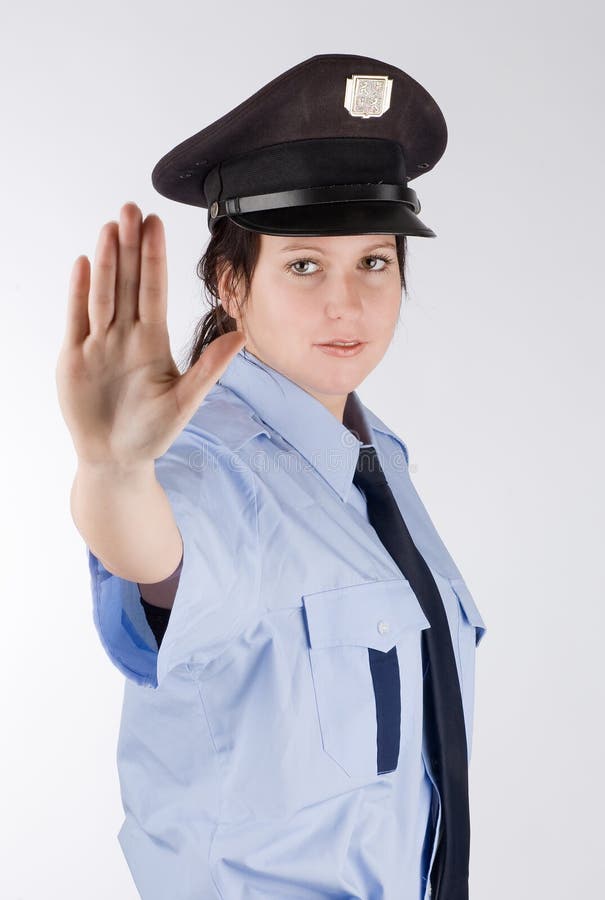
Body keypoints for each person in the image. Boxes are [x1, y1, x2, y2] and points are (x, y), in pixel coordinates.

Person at [56, 54, 487, 900]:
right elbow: (156, 550)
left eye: (373, 262)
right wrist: (111, 469)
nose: (347, 305)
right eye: (303, 265)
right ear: (230, 282)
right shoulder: (210, 467)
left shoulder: (376, 461)